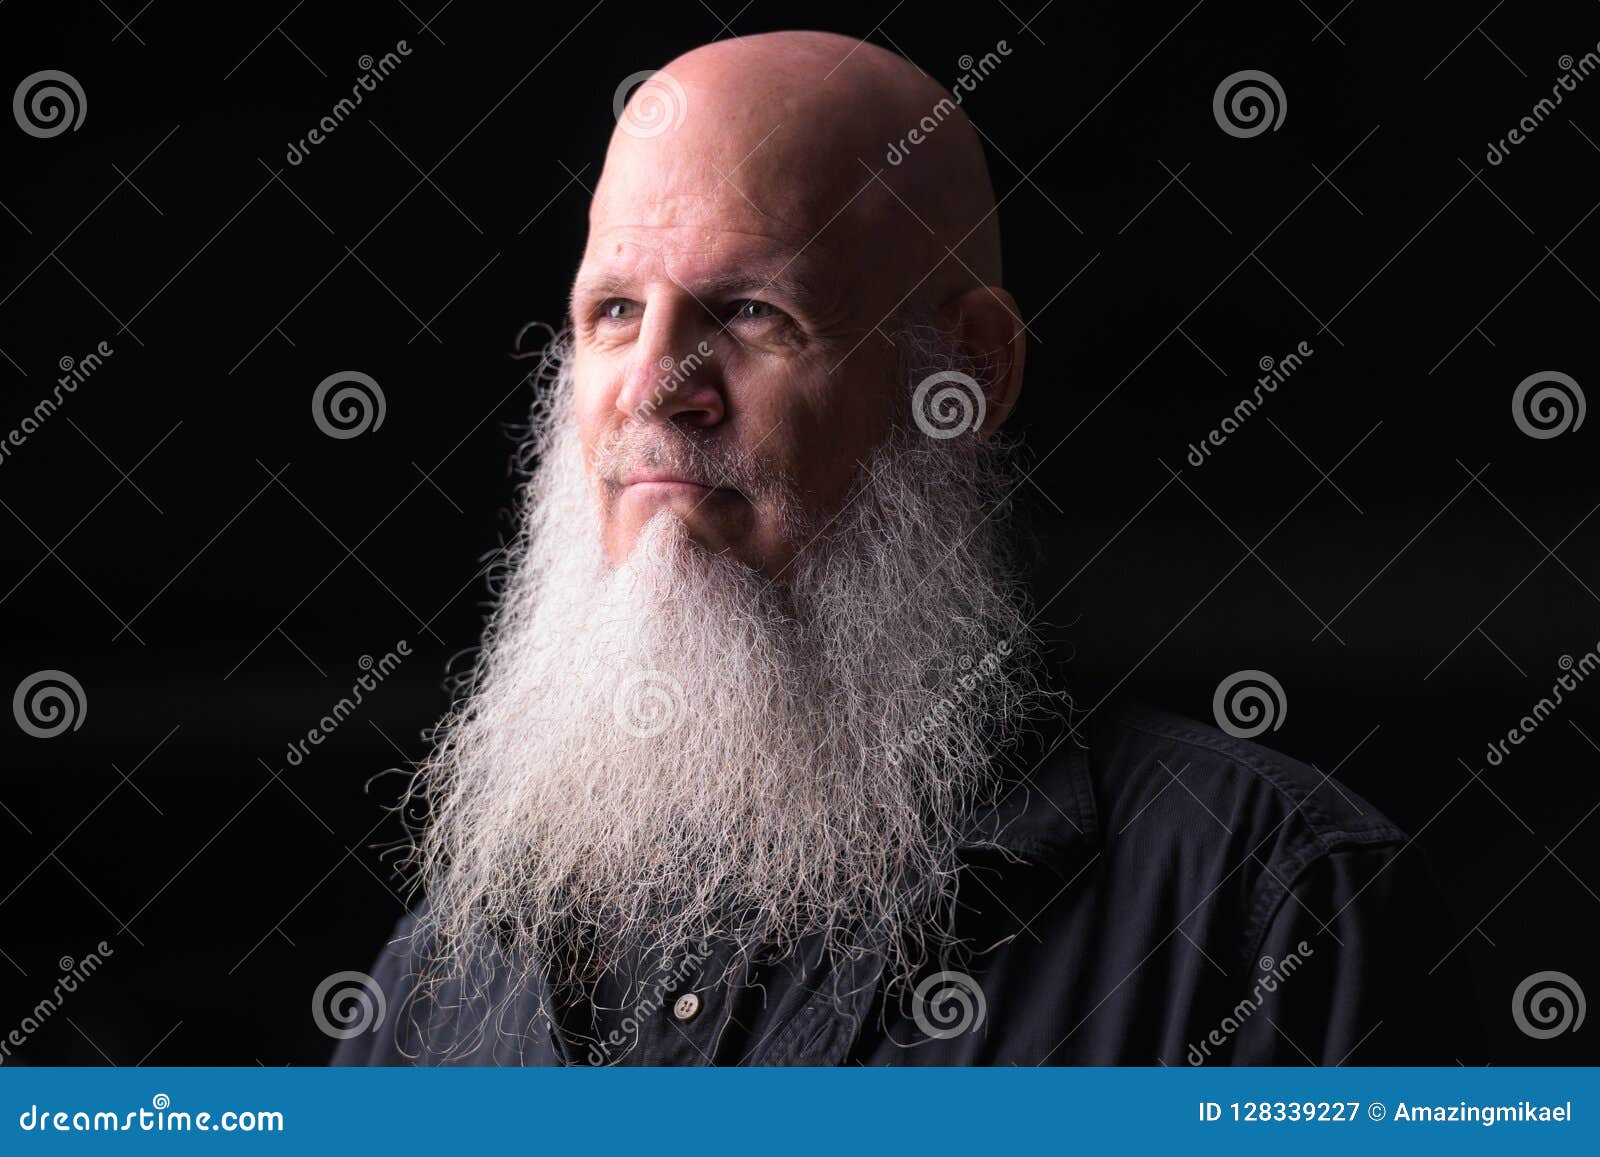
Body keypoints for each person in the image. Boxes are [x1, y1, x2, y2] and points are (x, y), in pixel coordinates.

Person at [333, 30, 1479, 1066]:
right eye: (615, 312)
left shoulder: (1262, 902)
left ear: (968, 370)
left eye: (748, 313)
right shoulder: (452, 965)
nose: (654, 388)